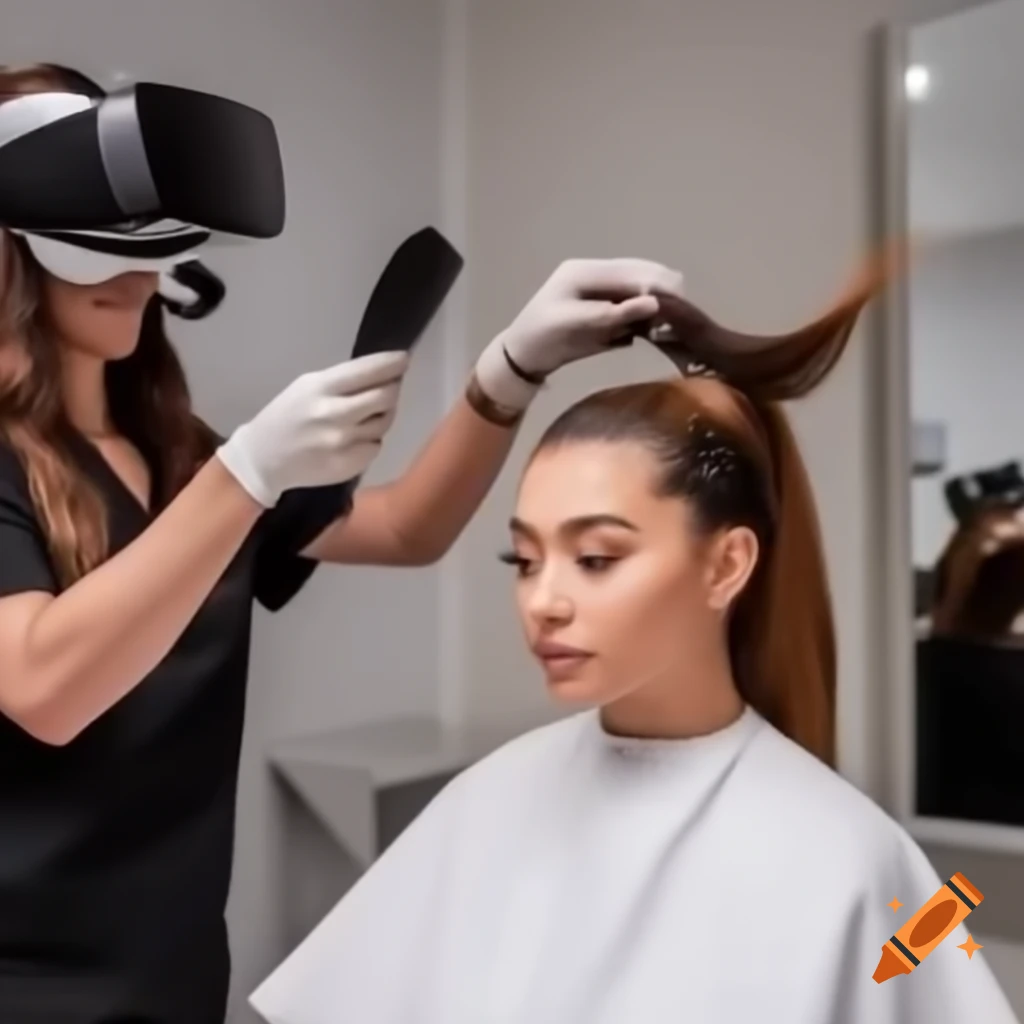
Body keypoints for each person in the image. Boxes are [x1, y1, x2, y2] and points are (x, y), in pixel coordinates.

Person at [0, 62, 687, 1024]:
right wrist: (248, 475)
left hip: (178, 973)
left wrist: (512, 369)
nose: (133, 269)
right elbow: (43, 687)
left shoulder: (181, 456)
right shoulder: (158, 472)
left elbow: (407, 528)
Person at [249, 263, 1020, 1024]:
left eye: (596, 558)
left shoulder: (860, 860)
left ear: (727, 564)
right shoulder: (482, 803)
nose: (542, 602)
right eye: (524, 559)